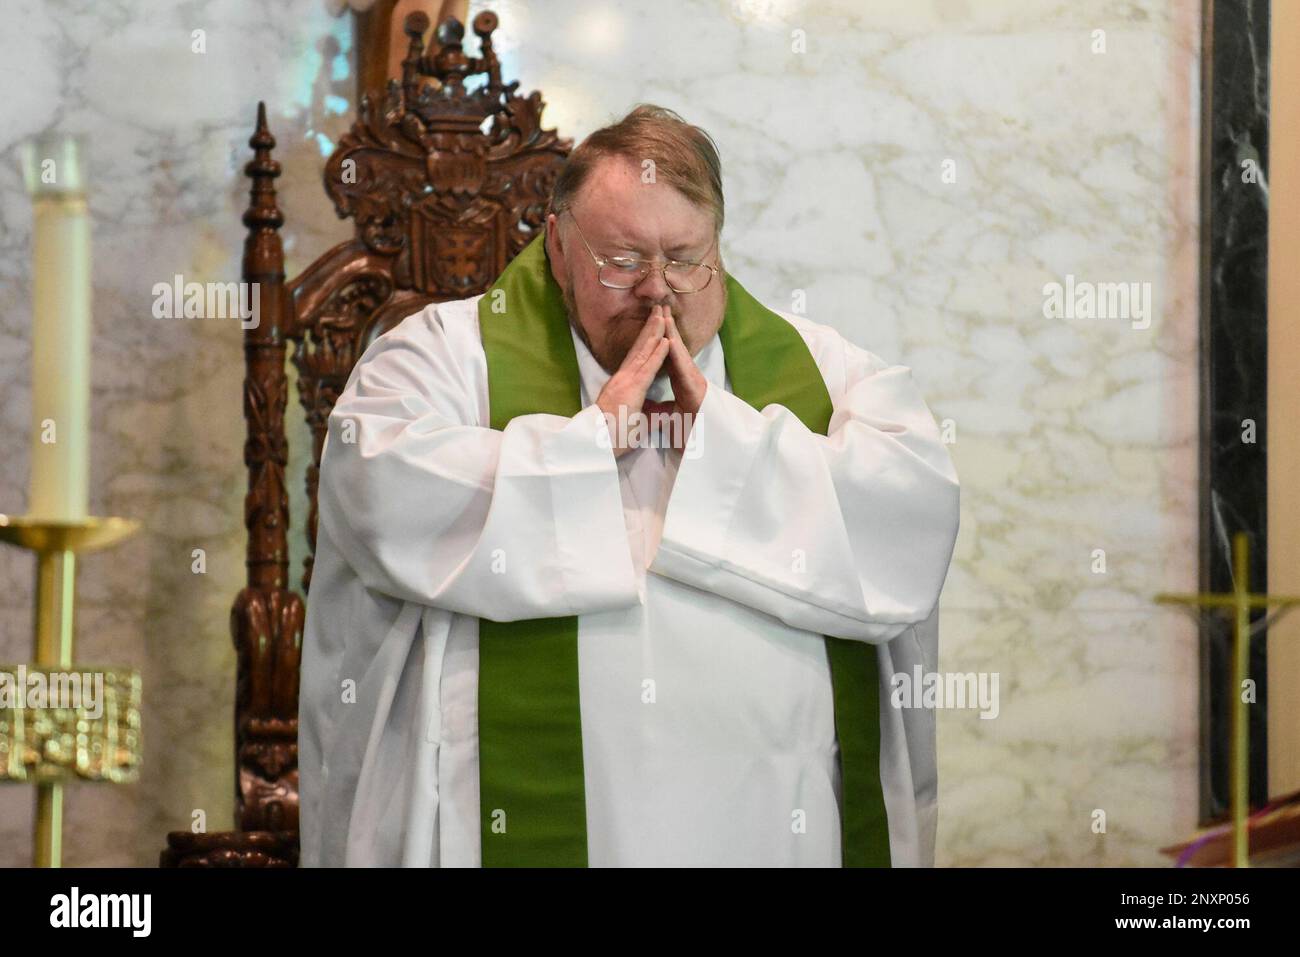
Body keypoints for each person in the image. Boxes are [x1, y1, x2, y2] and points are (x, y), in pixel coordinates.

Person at [298, 103, 960, 867]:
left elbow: (913, 511)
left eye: (684, 258)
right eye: (621, 261)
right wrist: (588, 444)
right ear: (556, 244)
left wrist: (722, 436)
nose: (657, 291)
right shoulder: (445, 357)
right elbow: (375, 484)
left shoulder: (830, 374)